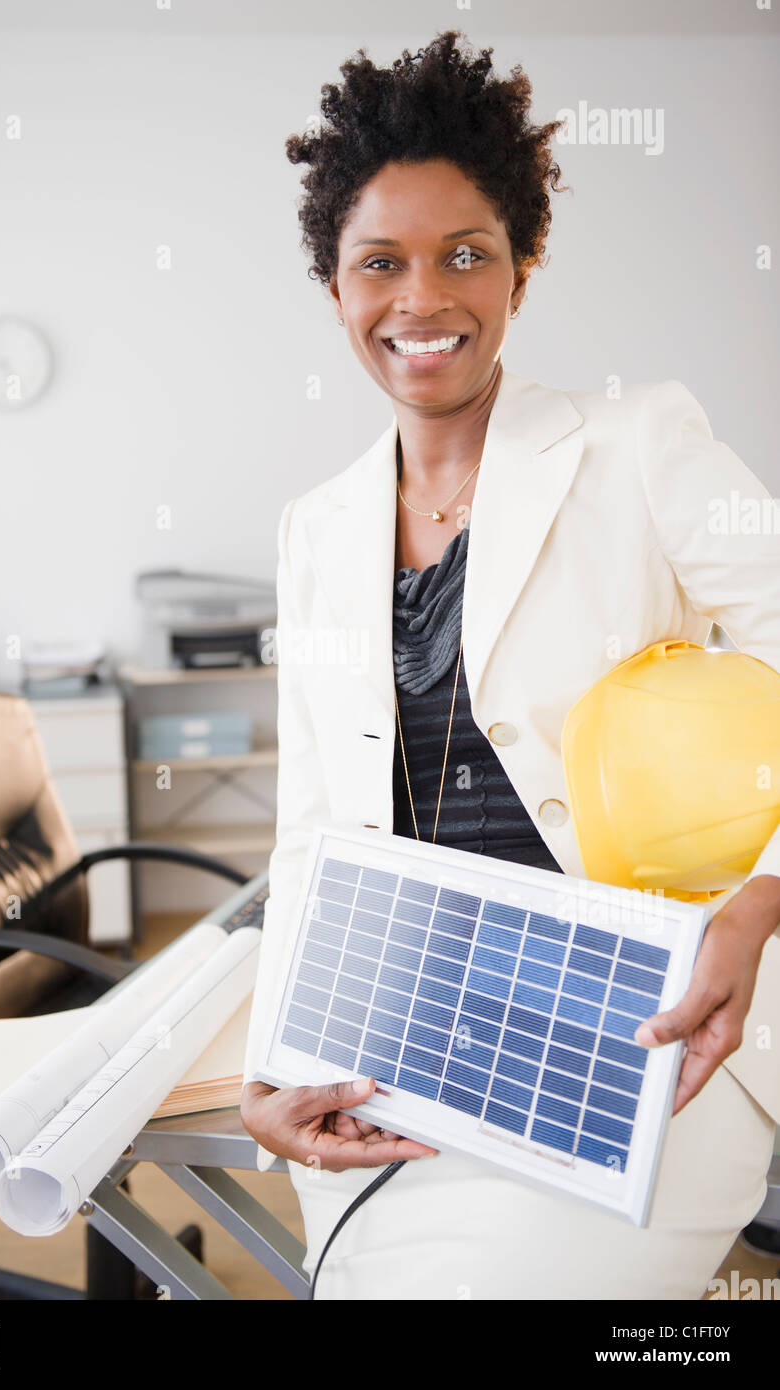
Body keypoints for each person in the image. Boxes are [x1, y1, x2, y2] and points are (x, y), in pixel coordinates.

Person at [240, 31, 780, 1299]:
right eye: (381, 263)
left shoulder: (636, 441)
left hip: (655, 1022)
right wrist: (276, 1059)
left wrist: (759, 899)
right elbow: (310, 826)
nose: (422, 300)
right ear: (334, 286)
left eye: (464, 255)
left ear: (522, 268)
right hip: (409, 1032)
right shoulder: (315, 530)